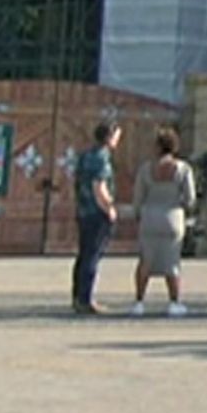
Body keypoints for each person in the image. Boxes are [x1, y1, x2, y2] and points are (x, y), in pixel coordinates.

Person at [129, 126, 196, 317]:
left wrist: (138, 214)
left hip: (150, 217)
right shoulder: (183, 169)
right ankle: (174, 303)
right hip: (173, 218)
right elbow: (190, 198)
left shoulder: (146, 169)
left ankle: (139, 302)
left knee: (145, 261)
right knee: (172, 263)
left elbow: (138, 197)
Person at [70, 122, 122, 315]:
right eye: (116, 136)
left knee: (83, 255)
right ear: (109, 137)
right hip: (96, 213)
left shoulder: (86, 155)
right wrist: (109, 208)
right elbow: (99, 186)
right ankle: (85, 299)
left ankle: (78, 296)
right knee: (92, 256)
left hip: (83, 210)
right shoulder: (101, 158)